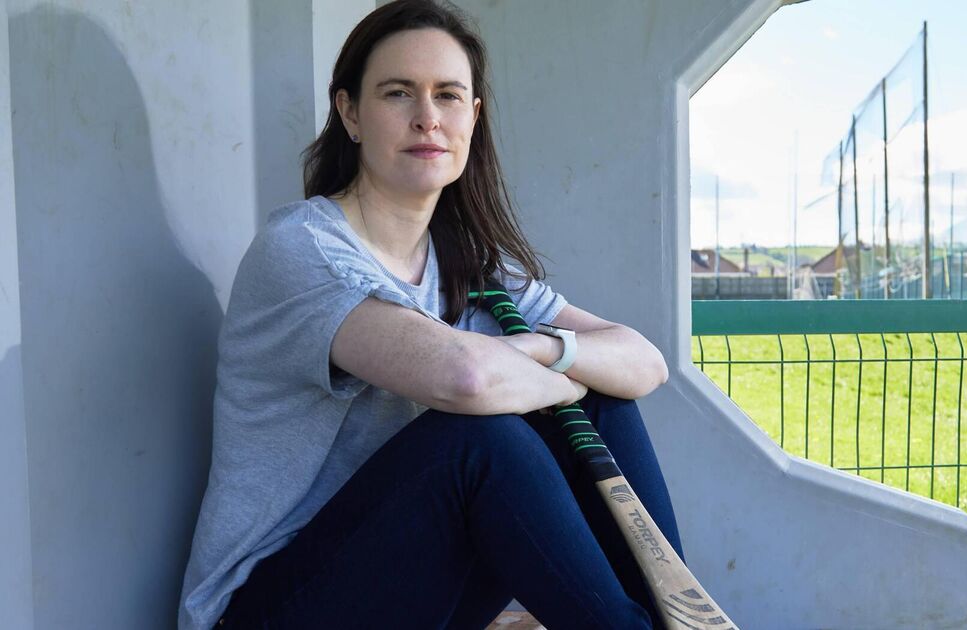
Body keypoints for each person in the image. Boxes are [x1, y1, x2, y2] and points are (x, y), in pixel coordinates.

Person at [177, 1, 682, 628]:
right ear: (350, 113)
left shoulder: (467, 261)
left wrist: (546, 351)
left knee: (602, 400)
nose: (427, 117)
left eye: (448, 95)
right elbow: (463, 378)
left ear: (473, 117)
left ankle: (674, 615)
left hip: (404, 588)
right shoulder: (303, 249)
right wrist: (559, 374)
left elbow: (645, 364)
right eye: (398, 93)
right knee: (478, 441)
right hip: (269, 608)